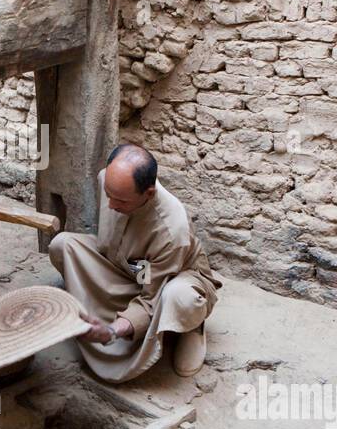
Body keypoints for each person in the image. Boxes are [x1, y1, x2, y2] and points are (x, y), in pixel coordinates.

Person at [48, 142, 222, 382]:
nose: (111, 205)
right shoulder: (108, 181)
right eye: (109, 195)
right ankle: (110, 306)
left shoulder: (172, 231)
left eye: (120, 201)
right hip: (128, 268)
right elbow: (116, 252)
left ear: (148, 194)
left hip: (168, 280)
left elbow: (151, 297)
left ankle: (188, 325)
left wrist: (111, 331)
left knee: (179, 298)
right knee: (62, 245)